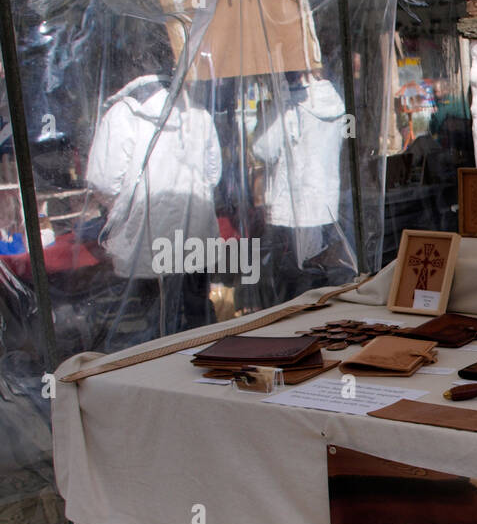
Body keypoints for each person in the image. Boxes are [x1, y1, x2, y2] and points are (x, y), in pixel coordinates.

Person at [85, 75, 222, 336]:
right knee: (198, 313)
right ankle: (211, 367)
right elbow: (213, 174)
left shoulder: (123, 114)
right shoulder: (195, 111)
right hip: (196, 231)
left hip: (145, 239)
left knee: (155, 324)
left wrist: (118, 207)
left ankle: (164, 373)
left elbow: (104, 181)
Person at [252, 72, 351, 303]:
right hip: (325, 204)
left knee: (295, 287)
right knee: (319, 278)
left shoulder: (290, 105)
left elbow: (263, 148)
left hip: (293, 208)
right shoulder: (334, 99)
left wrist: (269, 112)